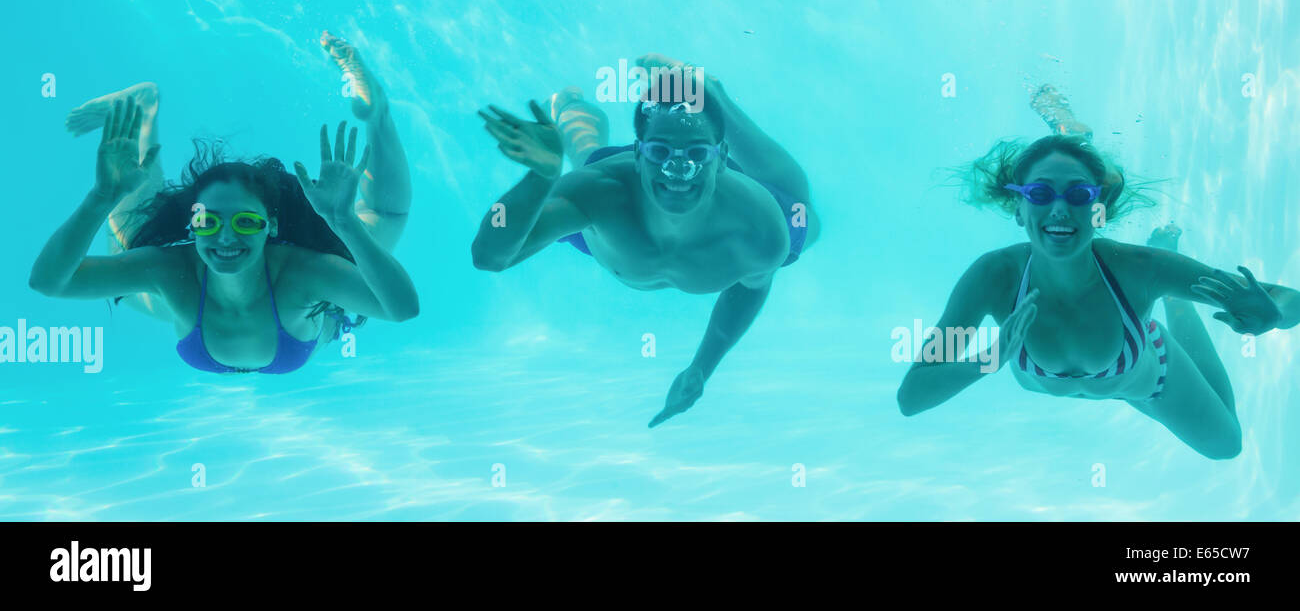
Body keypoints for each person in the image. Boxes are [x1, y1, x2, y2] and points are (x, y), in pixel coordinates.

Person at [897, 103, 1297, 459]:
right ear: (1018, 209)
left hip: (1147, 378)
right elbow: (912, 396)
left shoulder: (1142, 267)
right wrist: (988, 361)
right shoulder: (991, 277)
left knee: (1226, 446)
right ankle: (1075, 140)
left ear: (1099, 209)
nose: (1058, 209)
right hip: (1112, 374)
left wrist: (1273, 315)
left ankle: (1178, 302)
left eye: (1078, 195)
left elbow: (1287, 299)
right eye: (1038, 193)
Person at [28, 32, 419, 373]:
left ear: (272, 225)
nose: (226, 238)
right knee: (131, 237)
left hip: (273, 312)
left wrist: (344, 222)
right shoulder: (169, 271)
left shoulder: (306, 274)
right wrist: (100, 198)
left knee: (385, 216)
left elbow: (402, 310)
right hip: (190, 304)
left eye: (247, 222)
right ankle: (141, 110)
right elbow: (48, 282)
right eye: (208, 222)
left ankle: (378, 112)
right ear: (191, 224)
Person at [472, 53, 821, 426]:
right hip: (614, 218)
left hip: (697, 199)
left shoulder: (759, 227)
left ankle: (710, 94)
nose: (678, 168)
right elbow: (490, 257)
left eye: (698, 154)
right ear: (638, 154)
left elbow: (752, 287)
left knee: (803, 213)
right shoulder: (599, 194)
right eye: (659, 153)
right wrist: (541, 178)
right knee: (586, 161)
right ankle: (586, 106)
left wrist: (701, 366)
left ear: (720, 159)